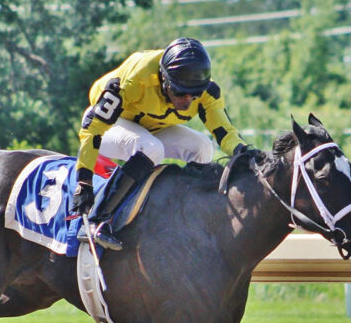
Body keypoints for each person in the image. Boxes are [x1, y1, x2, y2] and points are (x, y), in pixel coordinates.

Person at [70, 37, 251, 250]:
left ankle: (190, 218)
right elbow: (93, 128)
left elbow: (225, 132)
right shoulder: (136, 78)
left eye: (194, 94)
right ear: (163, 78)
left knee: (203, 147)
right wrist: (84, 182)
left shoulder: (207, 92)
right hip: (109, 126)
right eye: (179, 92)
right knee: (152, 148)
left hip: (151, 130)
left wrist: (244, 152)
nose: (187, 101)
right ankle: (98, 219)